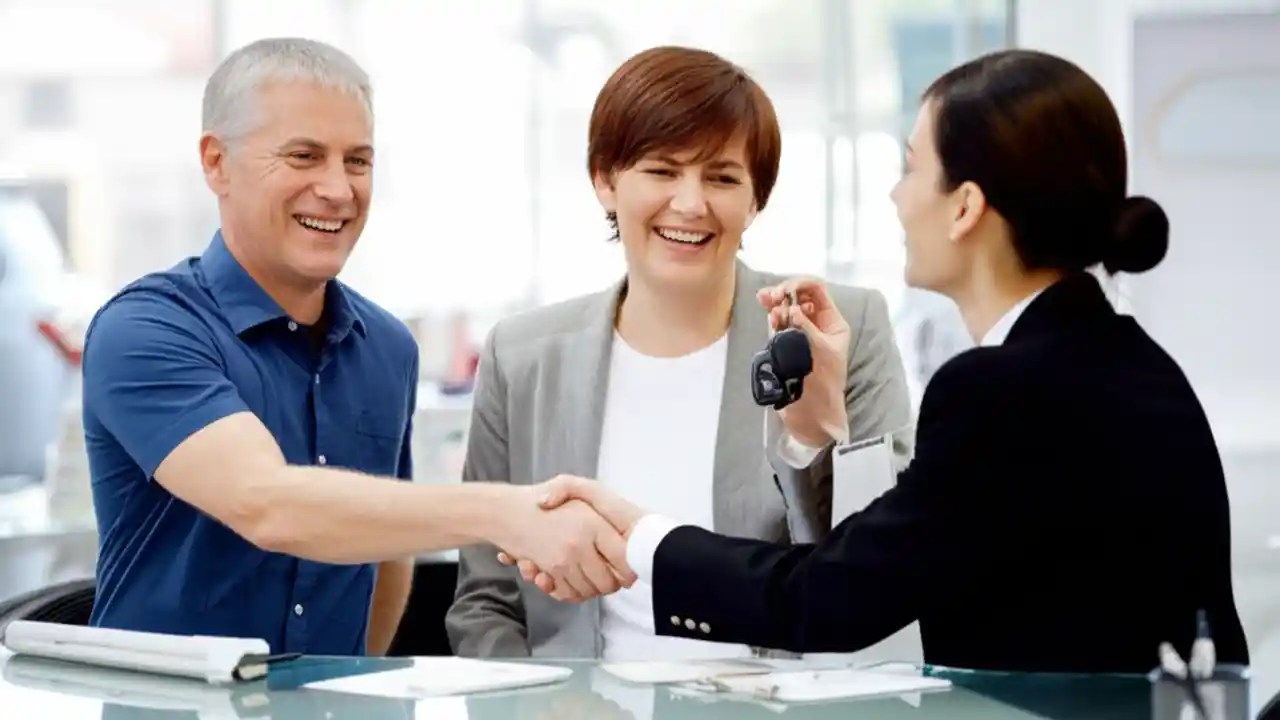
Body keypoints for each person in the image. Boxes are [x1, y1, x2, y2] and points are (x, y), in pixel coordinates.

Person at [503, 49, 1251, 673]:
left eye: (910, 167)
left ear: (963, 207)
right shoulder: (1125, 360)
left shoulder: (1000, 388)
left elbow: (835, 598)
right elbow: (912, 549)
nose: (894, 197)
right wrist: (823, 425)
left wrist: (639, 536)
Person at [81, 37, 633, 657]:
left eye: (358, 161)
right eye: (303, 156)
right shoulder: (146, 329)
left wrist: (354, 691)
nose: (338, 189)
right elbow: (266, 503)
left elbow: (388, 549)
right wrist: (504, 512)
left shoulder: (387, 347)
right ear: (216, 162)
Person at [445, 45, 912, 661]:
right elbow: (486, 600)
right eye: (662, 171)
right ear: (605, 181)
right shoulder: (524, 355)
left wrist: (810, 438)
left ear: (756, 200)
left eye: (721, 177)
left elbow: (884, 572)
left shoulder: (838, 329)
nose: (691, 204)